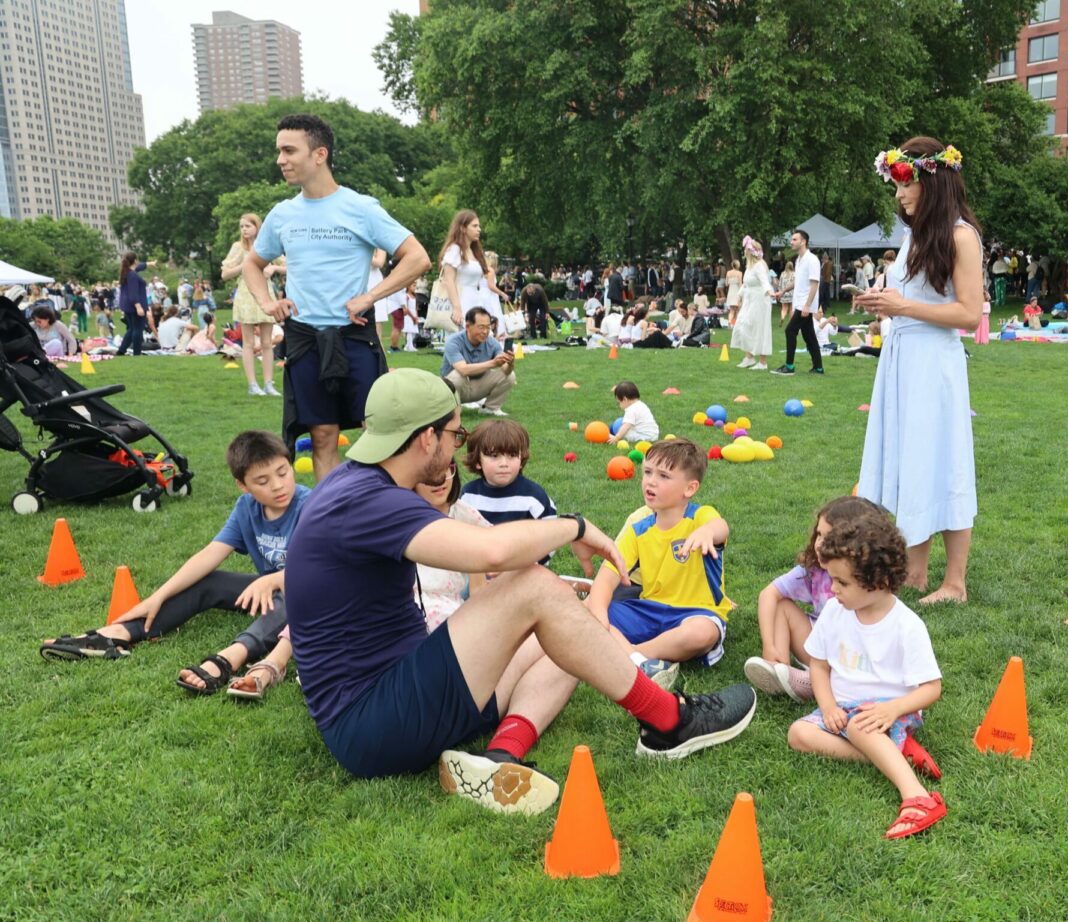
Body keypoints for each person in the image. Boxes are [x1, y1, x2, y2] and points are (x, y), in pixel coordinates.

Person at [282, 369, 758, 806]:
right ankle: (669, 721)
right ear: (427, 439)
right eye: (456, 434)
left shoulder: (357, 484)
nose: (458, 447)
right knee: (534, 585)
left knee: (569, 629)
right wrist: (574, 526)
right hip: (372, 725)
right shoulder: (366, 501)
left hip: (400, 690)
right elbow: (491, 551)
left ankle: (501, 754)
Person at [39, 431, 307, 695]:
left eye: (283, 473)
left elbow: (321, 574)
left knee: (293, 594)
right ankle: (118, 635)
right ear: (243, 485)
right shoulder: (246, 507)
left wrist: (272, 579)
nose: (277, 485)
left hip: (308, 591)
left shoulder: (312, 506)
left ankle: (230, 657)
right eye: (262, 481)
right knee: (208, 581)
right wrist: (158, 596)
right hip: (266, 590)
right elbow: (210, 555)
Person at [242, 113, 430, 480]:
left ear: (319, 154)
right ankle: (333, 520)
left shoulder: (360, 207)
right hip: (305, 338)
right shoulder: (283, 214)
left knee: (377, 430)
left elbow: (418, 257)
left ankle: (379, 514)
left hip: (353, 334)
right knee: (323, 435)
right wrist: (267, 303)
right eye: (279, 151)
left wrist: (369, 296)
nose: (280, 159)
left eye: (289, 150)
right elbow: (253, 263)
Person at [852, 137, 980, 604]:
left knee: (942, 461)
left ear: (932, 179)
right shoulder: (912, 238)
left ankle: (956, 583)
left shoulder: (961, 236)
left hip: (934, 365)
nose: (899, 194)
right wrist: (880, 303)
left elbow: (969, 314)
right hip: (901, 358)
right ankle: (918, 571)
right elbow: (909, 300)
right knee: (911, 462)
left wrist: (903, 305)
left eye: (904, 183)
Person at [786, 512, 946, 840]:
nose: (832, 589)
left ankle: (917, 797)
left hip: (889, 711)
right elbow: (819, 665)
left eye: (842, 582)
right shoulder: (835, 611)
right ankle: (894, 754)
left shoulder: (907, 626)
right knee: (798, 734)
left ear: (879, 581)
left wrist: (894, 709)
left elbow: (932, 688)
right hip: (843, 712)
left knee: (860, 725)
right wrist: (828, 706)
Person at [584, 439, 733, 689]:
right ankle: (637, 661)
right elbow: (607, 578)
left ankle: (630, 655)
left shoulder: (700, 516)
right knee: (586, 609)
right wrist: (597, 614)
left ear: (689, 488)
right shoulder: (638, 530)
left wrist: (708, 532)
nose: (651, 481)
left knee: (702, 633)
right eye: (647, 472)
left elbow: (720, 527)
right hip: (648, 610)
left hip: (694, 613)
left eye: (663, 476)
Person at [744, 495, 885, 701]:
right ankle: (779, 669)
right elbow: (768, 594)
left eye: (828, 538)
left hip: (853, 658)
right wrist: (769, 645)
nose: (819, 544)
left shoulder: (867, 583)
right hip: (818, 648)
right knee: (782, 605)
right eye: (818, 534)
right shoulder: (814, 570)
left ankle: (813, 682)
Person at [413, 461, 492, 632]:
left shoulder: (463, 514)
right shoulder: (406, 515)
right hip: (415, 602)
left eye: (445, 471)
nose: (439, 480)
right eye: (428, 476)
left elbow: (492, 545)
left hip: (453, 602)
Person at [223, 212, 286, 395]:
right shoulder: (238, 248)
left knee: (267, 342)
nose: (244, 230)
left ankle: (268, 383)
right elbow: (225, 274)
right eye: (241, 226)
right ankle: (252, 385)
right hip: (245, 294)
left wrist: (273, 267)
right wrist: (244, 265)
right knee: (248, 343)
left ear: (257, 227)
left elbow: (288, 265)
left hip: (266, 293)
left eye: (248, 226)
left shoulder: (266, 246)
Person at [439, 210, 510, 335]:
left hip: (476, 302)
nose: (479, 229)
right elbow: (448, 280)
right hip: (461, 303)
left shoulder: (473, 251)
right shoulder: (455, 249)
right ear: (463, 228)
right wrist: (456, 307)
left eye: (479, 226)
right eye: (475, 226)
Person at [440, 307, 514, 417]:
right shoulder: (453, 342)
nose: (485, 332)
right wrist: (493, 363)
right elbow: (463, 370)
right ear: (468, 326)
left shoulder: (492, 343)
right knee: (458, 375)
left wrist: (510, 363)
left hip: (478, 385)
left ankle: (490, 408)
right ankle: (452, 410)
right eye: (481, 327)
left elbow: (505, 370)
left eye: (488, 327)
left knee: (510, 375)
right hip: (452, 388)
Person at [772, 229, 824, 375]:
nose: (791, 242)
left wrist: (807, 305)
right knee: (809, 336)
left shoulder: (812, 259)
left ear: (803, 242)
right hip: (800, 302)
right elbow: (798, 281)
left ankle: (789, 366)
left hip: (805, 304)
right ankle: (818, 368)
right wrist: (783, 291)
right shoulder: (799, 260)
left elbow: (814, 284)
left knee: (790, 330)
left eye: (795, 239)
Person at [732, 236, 774, 369]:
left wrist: (770, 292)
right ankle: (749, 357)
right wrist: (739, 296)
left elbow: (764, 281)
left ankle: (762, 362)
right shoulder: (750, 266)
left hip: (760, 299)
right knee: (744, 325)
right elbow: (745, 284)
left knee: (760, 329)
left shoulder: (760, 266)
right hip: (750, 299)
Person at [115, 252, 150, 357]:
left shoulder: (128, 272)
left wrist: (150, 263)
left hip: (127, 306)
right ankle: (137, 353)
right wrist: (138, 306)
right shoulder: (133, 275)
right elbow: (133, 292)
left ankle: (122, 350)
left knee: (132, 328)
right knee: (138, 330)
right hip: (135, 306)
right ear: (135, 261)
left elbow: (139, 267)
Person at [609, 380, 659, 445]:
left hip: (644, 437)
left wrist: (617, 438)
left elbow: (626, 426)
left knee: (623, 431)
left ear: (625, 399)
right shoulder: (641, 404)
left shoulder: (631, 410)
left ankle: (608, 436)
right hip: (654, 435)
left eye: (619, 402)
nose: (619, 405)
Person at [724, 259, 743, 326]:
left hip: (731, 291)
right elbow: (740, 284)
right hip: (737, 291)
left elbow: (726, 284)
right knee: (738, 309)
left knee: (732, 310)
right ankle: (737, 323)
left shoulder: (728, 273)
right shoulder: (739, 273)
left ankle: (730, 322)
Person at [776, 257, 795, 323]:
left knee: (784, 308)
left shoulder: (782, 274)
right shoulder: (794, 274)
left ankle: (782, 317)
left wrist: (779, 292)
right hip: (791, 294)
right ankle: (791, 321)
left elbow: (780, 284)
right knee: (791, 309)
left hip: (783, 293)